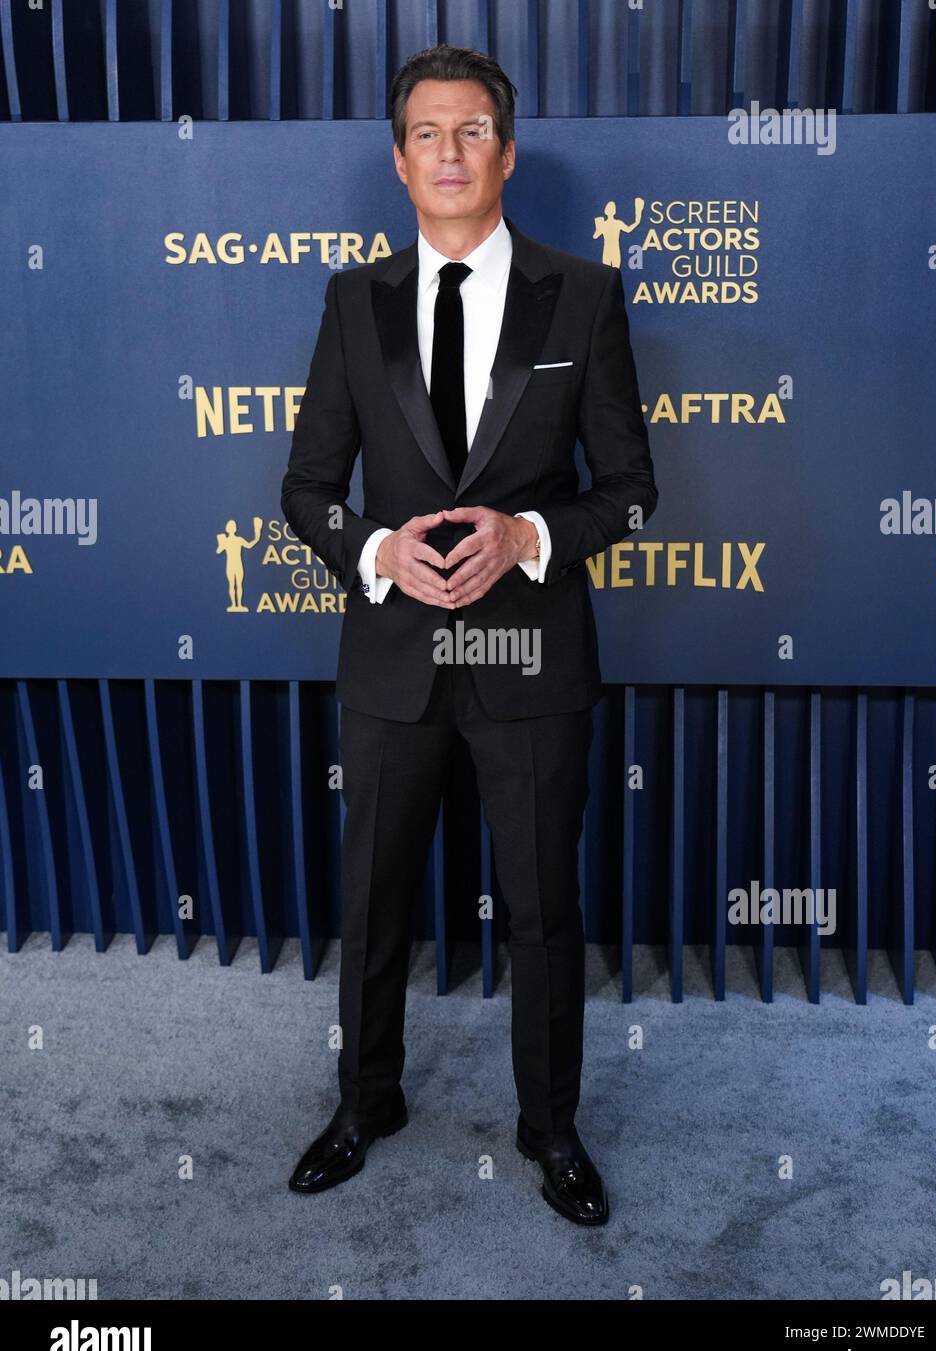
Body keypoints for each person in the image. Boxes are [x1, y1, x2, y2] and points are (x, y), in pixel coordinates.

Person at [280, 43, 657, 1226]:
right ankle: (365, 1102)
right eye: (428, 134)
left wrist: (528, 534)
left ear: (507, 152)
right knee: (373, 900)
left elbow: (631, 490)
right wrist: (376, 552)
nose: (451, 151)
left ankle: (551, 1127)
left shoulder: (583, 294)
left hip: (532, 659)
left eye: (473, 130)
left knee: (543, 910)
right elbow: (305, 490)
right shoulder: (353, 300)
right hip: (393, 658)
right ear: (401, 162)